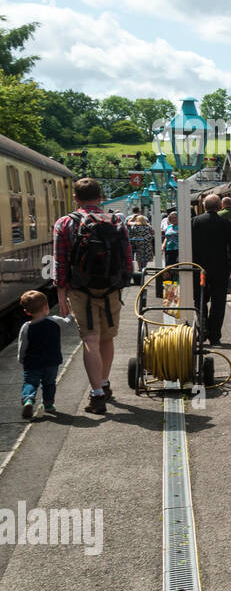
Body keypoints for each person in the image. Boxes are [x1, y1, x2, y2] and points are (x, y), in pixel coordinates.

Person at [52, 177, 133, 414]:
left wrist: (61, 293)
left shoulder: (64, 222)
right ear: (100, 198)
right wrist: (123, 281)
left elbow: (61, 262)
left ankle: (97, 393)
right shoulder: (117, 220)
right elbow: (127, 255)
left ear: (75, 197)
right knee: (107, 339)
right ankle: (105, 383)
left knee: (90, 340)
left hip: (80, 290)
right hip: (111, 288)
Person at [16, 290, 75, 417]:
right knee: (49, 383)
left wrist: (21, 358)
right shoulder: (55, 320)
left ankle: (28, 400)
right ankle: (48, 404)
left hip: (32, 363)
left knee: (30, 382)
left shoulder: (26, 327)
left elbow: (22, 346)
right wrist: (71, 314)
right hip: (51, 362)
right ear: (46, 307)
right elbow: (68, 323)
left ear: (27, 312)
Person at [190, 194, 231, 345]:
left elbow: (188, 244)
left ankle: (202, 329)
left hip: (198, 268)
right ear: (219, 207)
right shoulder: (227, 224)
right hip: (220, 268)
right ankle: (215, 335)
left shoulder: (194, 222)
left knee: (199, 299)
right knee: (218, 301)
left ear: (204, 206)